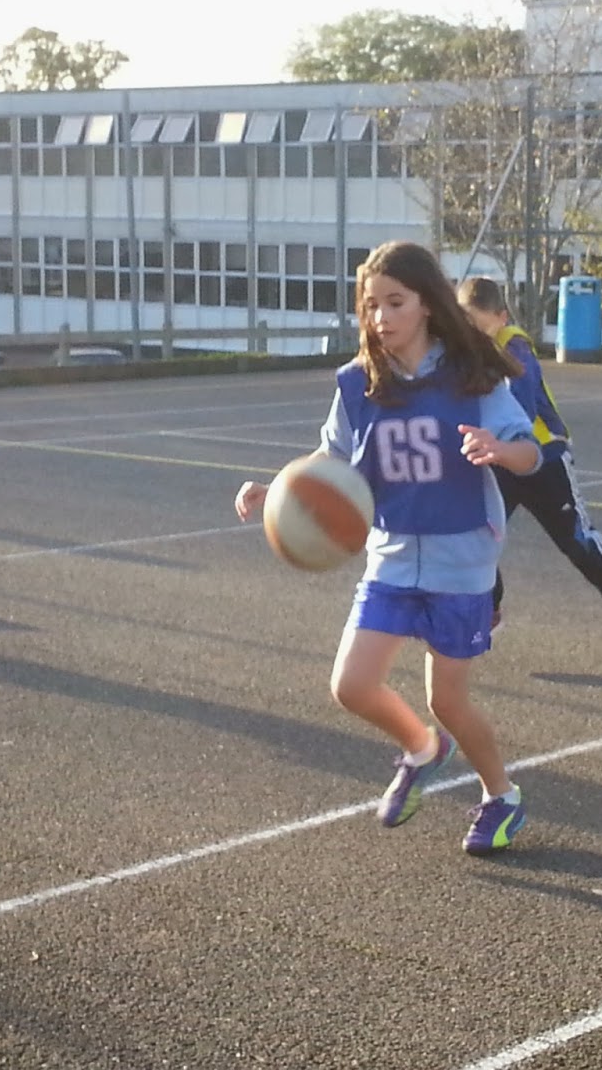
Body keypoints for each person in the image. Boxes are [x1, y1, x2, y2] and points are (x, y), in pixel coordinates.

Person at [234, 241, 540, 855]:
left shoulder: (471, 375)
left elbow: (530, 453)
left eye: (394, 303)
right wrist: (279, 490)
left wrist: (501, 451)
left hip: (461, 560)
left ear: (427, 303)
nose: (380, 317)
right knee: (351, 685)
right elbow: (331, 461)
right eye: (371, 305)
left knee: (446, 699)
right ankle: (422, 749)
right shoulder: (358, 383)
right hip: (392, 556)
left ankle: (501, 795)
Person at [456, 275, 602, 649]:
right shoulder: (463, 353)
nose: (472, 333)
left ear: (501, 316)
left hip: (544, 458)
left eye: (479, 325)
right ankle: (488, 608)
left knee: (576, 542)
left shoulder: (515, 350)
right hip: (497, 460)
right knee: (471, 533)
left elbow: (520, 411)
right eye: (465, 324)